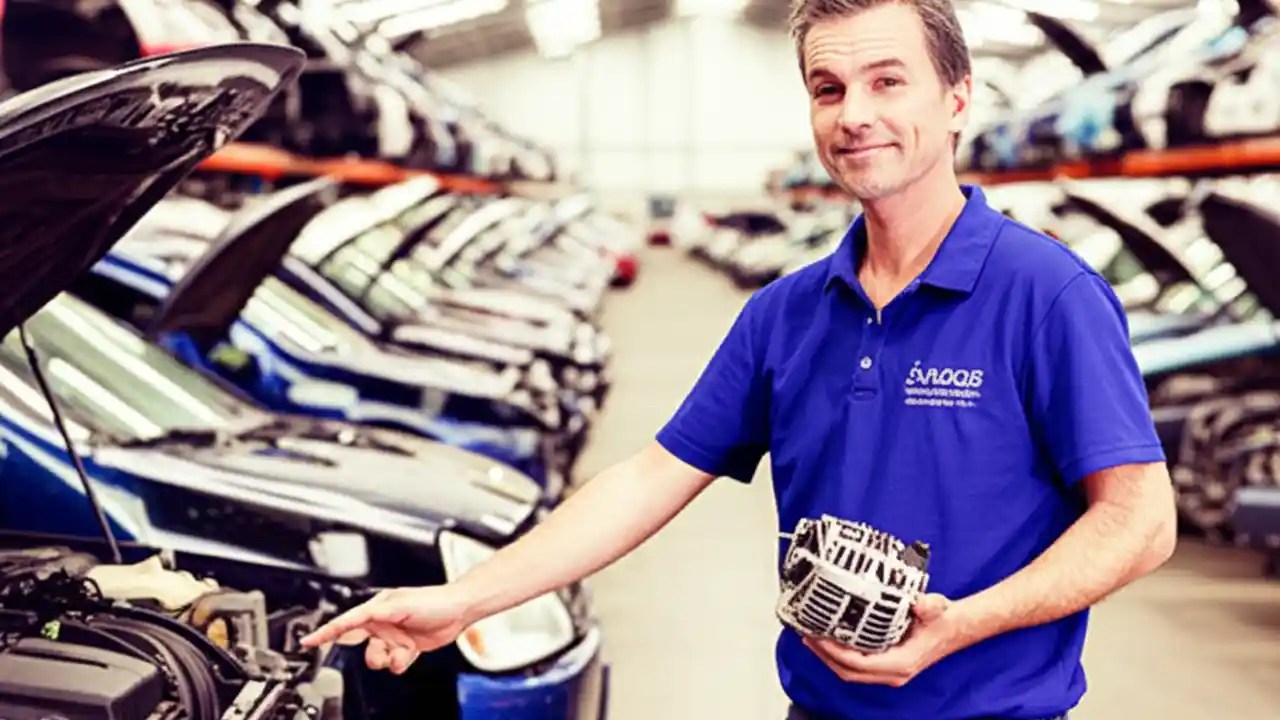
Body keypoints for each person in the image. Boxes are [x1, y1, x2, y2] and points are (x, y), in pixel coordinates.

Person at [300, 0, 1179, 716]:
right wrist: (465, 600)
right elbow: (649, 479)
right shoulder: (787, 314)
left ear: (956, 99)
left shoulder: (1045, 293)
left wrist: (963, 626)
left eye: (887, 81)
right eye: (827, 88)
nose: (855, 114)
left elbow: (1141, 522)